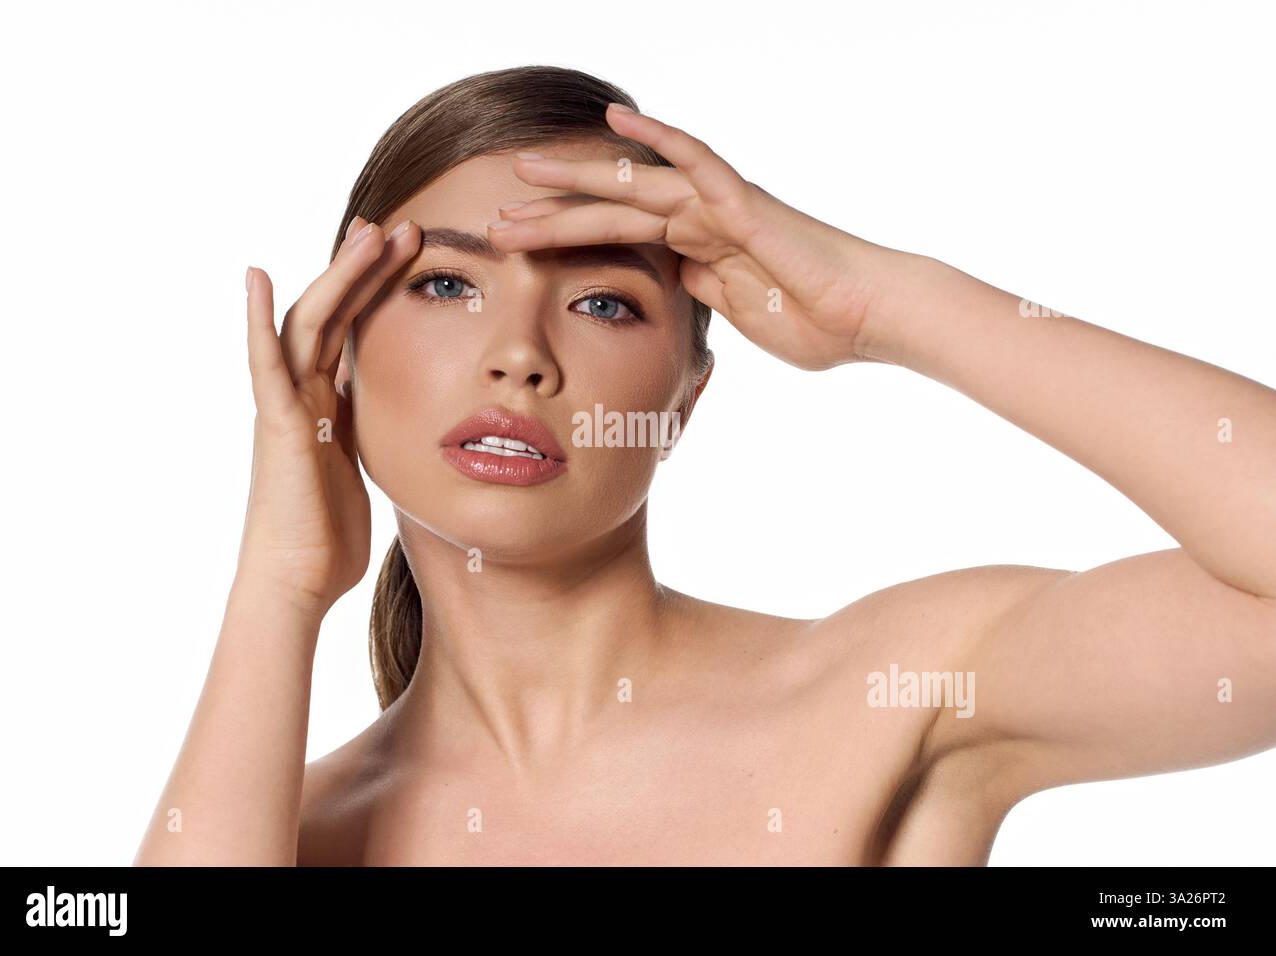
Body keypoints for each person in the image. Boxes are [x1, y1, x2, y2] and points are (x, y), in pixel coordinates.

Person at [134, 65, 1276, 866]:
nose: (519, 358)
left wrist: (879, 307)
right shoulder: (284, 829)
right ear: (336, 347)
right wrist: (278, 586)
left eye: (601, 301)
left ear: (686, 396)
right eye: (447, 284)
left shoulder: (896, 698)